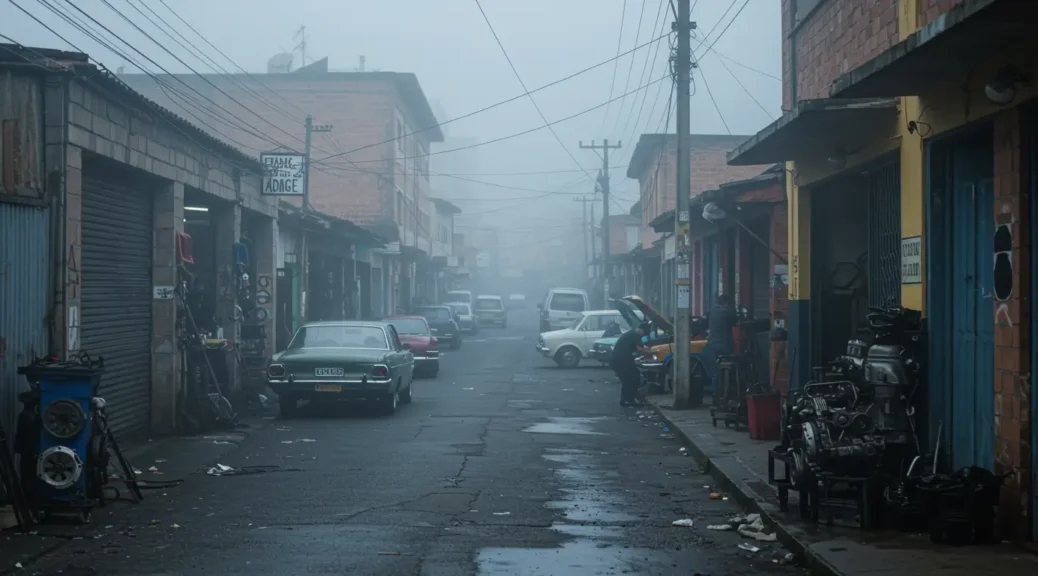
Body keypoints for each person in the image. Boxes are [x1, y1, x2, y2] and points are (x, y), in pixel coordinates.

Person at [704, 293, 737, 395]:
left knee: (716, 372)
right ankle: (726, 394)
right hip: (724, 346)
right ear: (726, 303)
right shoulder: (726, 313)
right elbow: (735, 321)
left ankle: (716, 396)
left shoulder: (712, 312)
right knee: (727, 370)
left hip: (712, 345)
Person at [611, 322, 651, 407]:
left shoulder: (631, 334)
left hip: (618, 359)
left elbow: (636, 347)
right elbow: (637, 348)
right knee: (632, 378)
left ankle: (625, 400)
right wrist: (649, 351)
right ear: (641, 330)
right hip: (621, 360)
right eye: (644, 333)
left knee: (627, 379)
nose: (643, 335)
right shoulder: (633, 335)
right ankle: (629, 400)